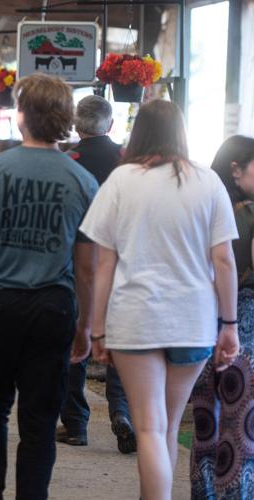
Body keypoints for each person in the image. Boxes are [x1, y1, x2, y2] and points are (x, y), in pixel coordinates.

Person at [0, 73, 98, 499]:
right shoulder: (83, 182)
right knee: (40, 420)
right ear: (66, 119)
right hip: (54, 308)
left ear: (21, 116)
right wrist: (86, 325)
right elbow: (87, 268)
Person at [82, 100, 239, 500]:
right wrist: (229, 325)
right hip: (194, 322)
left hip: (135, 319)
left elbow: (103, 263)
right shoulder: (208, 183)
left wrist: (96, 329)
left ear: (139, 133)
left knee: (149, 428)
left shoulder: (122, 181)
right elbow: (224, 260)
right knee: (167, 427)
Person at [56, 95, 135, 453]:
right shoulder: (128, 160)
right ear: (111, 125)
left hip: (79, 260)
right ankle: (122, 412)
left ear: (76, 125)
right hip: (123, 260)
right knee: (120, 338)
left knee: (78, 336)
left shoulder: (67, 161)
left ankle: (75, 424)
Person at [192, 135, 254, 499]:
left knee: (205, 422)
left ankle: (202, 493)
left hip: (201, 320)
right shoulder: (248, 213)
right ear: (236, 170)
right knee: (241, 426)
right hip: (243, 323)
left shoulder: (203, 206)